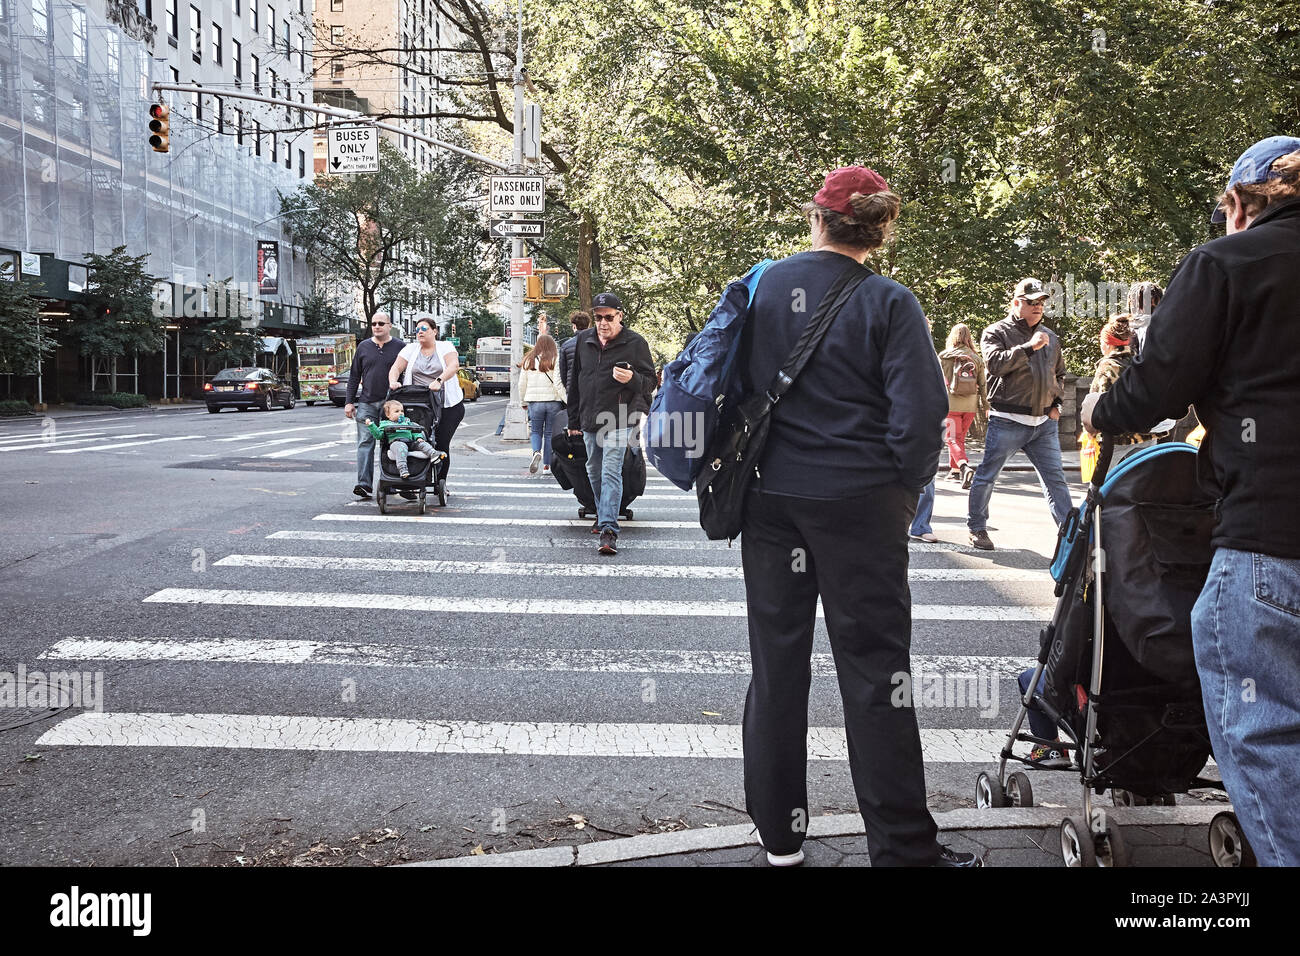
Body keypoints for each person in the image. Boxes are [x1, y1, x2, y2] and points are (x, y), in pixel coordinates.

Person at [736, 165, 977, 868]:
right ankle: (902, 850)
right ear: (880, 231)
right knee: (877, 674)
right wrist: (903, 492)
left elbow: (729, 383)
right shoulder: (890, 302)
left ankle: (780, 834)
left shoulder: (761, 286)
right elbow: (921, 415)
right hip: (860, 504)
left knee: (777, 665)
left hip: (771, 499)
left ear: (816, 219)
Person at [1083, 136, 1300, 866]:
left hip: (1272, 529)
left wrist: (1100, 414)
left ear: (1239, 204)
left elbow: (1157, 386)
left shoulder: (1227, 264)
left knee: (1262, 724)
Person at [965, 278, 1072, 551]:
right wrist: (1028, 348)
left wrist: (1057, 404)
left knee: (1055, 480)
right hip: (1007, 420)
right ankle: (977, 528)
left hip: (1043, 423)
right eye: (1031, 302)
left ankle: (1071, 535)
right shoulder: (996, 332)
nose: (1037, 307)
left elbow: (1059, 374)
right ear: (1016, 303)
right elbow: (994, 364)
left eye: (1041, 303)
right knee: (988, 475)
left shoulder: (1051, 337)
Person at [566, 291, 655, 556]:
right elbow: (575, 383)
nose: (603, 322)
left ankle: (608, 529)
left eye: (608, 317)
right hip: (589, 418)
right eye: (598, 317)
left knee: (610, 471)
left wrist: (632, 379)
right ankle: (602, 511)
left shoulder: (635, 343)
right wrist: (573, 419)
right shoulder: (583, 340)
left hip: (620, 418)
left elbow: (651, 382)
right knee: (593, 470)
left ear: (620, 316)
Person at [388, 316, 465, 493]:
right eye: (417, 330)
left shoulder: (445, 346)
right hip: (418, 404)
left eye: (424, 329)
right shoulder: (411, 349)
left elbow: (453, 365)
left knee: (440, 444)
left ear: (434, 331)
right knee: (410, 440)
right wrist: (393, 381)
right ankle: (410, 480)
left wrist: (439, 380)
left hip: (446, 404)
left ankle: (440, 482)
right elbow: (396, 368)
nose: (420, 332)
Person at [344, 312, 406, 499]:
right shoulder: (363, 347)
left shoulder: (400, 347)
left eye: (381, 323)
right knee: (365, 443)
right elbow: (354, 376)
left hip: (391, 404)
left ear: (389, 325)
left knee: (393, 442)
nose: (377, 326)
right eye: (373, 323)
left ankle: (392, 483)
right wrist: (349, 402)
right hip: (367, 403)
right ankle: (364, 485)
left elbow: (406, 373)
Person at [939, 323, 988, 488]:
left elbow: (935, 382)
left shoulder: (944, 357)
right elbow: (983, 385)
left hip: (950, 405)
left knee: (952, 439)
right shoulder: (977, 359)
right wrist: (987, 406)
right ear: (969, 338)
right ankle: (954, 471)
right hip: (970, 406)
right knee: (959, 439)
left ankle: (964, 466)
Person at [520, 333, 566, 475]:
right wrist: (567, 400)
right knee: (549, 433)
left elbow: (522, 383)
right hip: (553, 402)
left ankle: (535, 452)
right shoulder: (556, 359)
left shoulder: (529, 360)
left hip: (535, 402)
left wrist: (523, 401)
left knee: (535, 431)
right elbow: (559, 383)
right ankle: (547, 466)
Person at [364, 400, 442, 479]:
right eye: (396, 411)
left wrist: (418, 437)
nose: (400, 413)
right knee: (401, 447)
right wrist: (371, 426)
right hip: (396, 443)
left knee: (423, 444)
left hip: (411, 442)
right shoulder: (385, 424)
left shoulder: (407, 421)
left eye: (402, 411)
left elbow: (415, 431)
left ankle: (433, 454)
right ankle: (402, 468)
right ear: (388, 415)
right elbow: (379, 436)